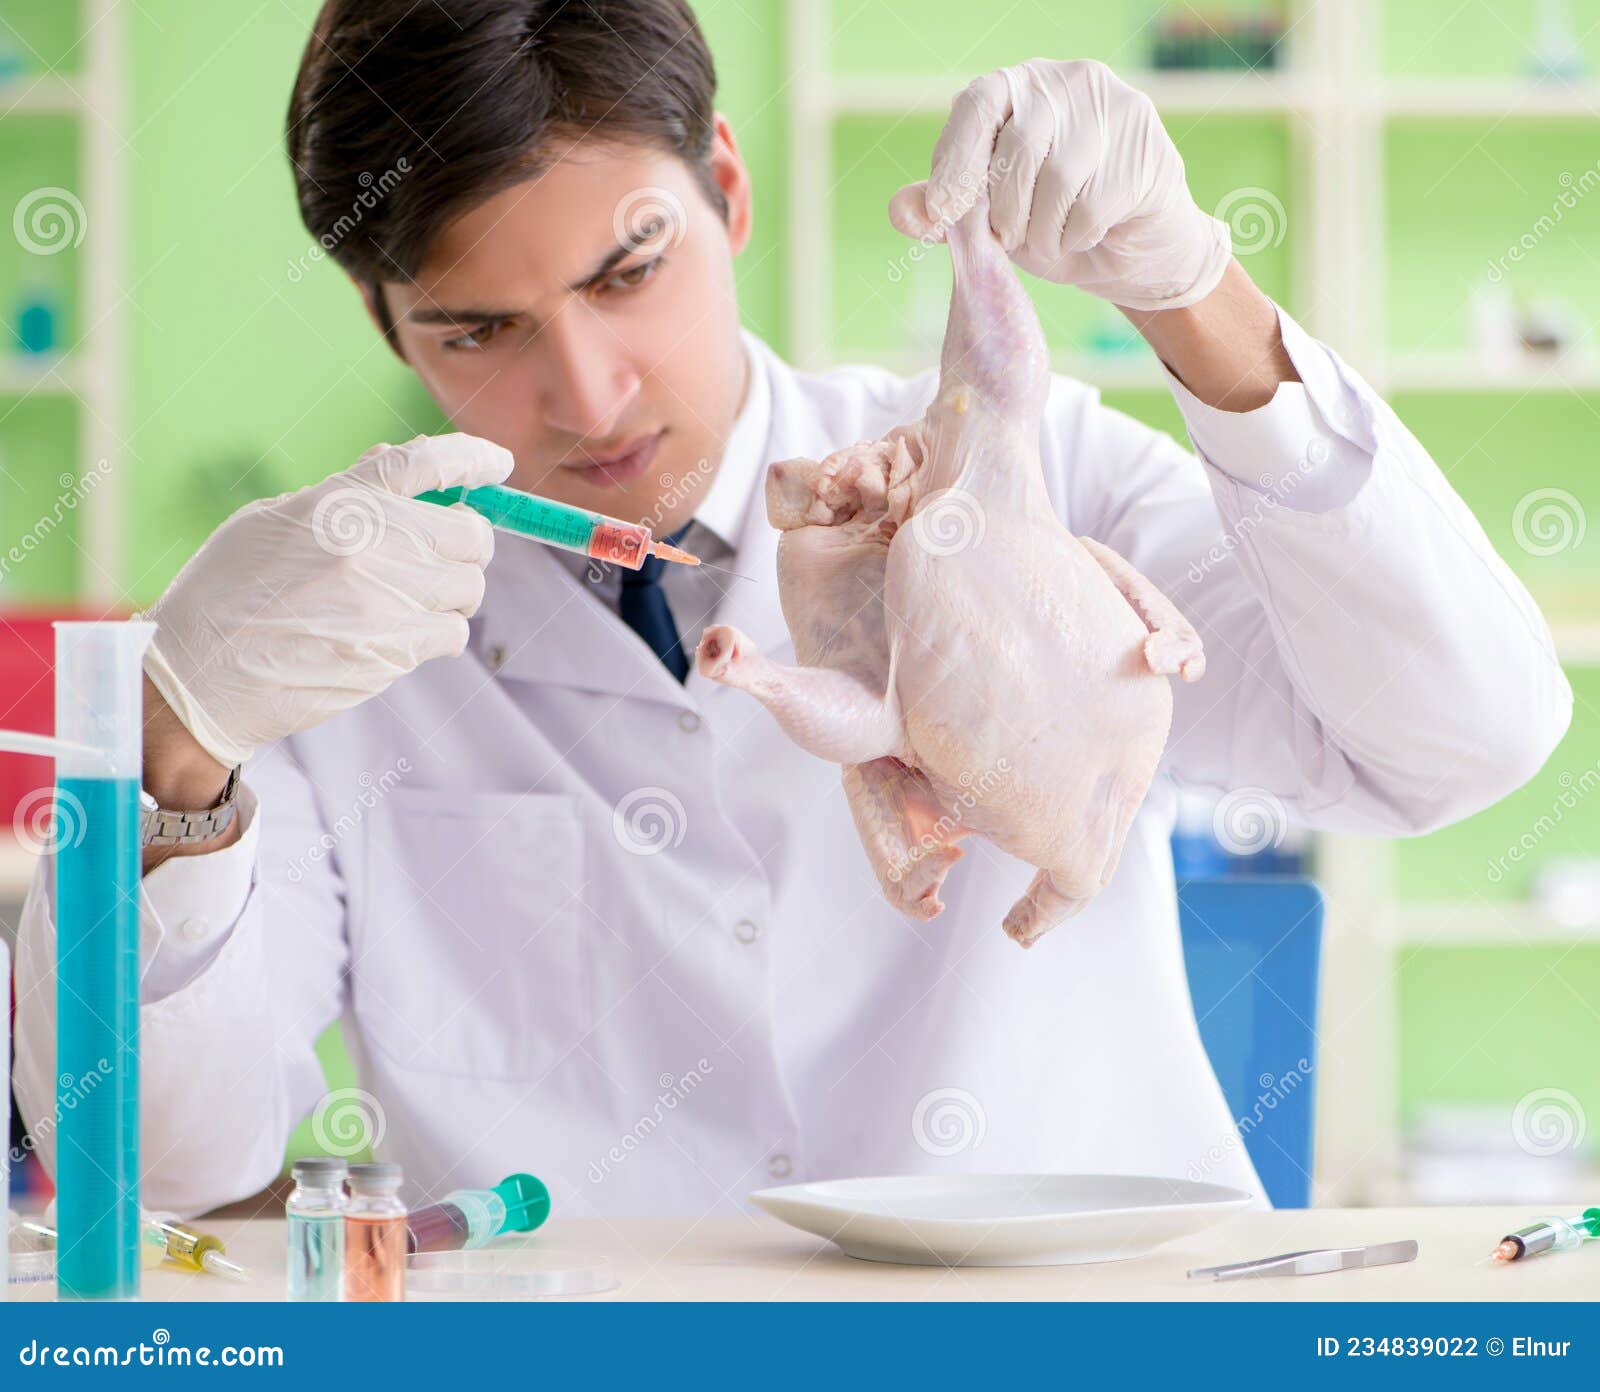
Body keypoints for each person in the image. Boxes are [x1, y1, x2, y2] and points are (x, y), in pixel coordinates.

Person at [14, 0, 1570, 1217]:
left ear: (729, 190)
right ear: (381, 318)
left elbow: (1460, 744)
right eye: (479, 328)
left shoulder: (1026, 474)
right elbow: (152, 1171)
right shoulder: (327, 633)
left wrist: (1195, 297)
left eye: (631, 271)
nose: (587, 392)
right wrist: (176, 748)